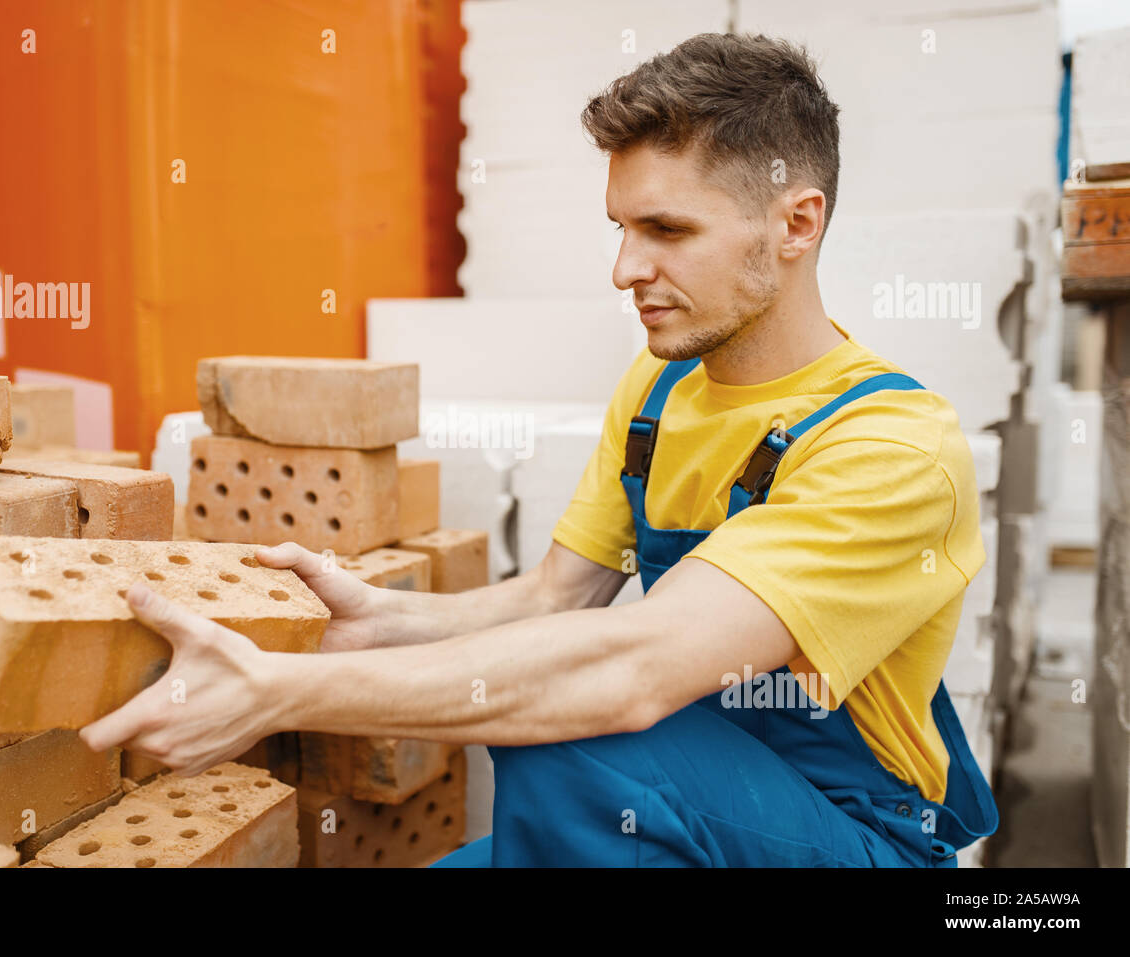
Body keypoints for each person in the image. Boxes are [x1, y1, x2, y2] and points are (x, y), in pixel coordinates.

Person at [81, 33, 998, 867]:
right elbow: (557, 596)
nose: (626, 270)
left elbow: (628, 671)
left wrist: (279, 689)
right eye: (622, 229)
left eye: (667, 231)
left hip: (849, 836)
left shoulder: (891, 450)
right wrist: (384, 623)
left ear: (797, 224)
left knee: (578, 731)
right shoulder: (661, 389)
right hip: (684, 802)